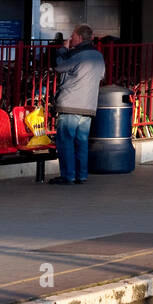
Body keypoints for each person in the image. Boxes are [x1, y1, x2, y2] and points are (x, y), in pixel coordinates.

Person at [50, 24, 105, 185]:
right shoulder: (98, 56)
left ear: (80, 37)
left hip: (70, 104)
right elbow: (101, 76)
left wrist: (62, 50)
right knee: (81, 141)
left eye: (73, 36)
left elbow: (59, 66)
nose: (70, 38)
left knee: (65, 141)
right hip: (88, 105)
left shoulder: (76, 54)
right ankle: (81, 175)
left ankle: (68, 175)